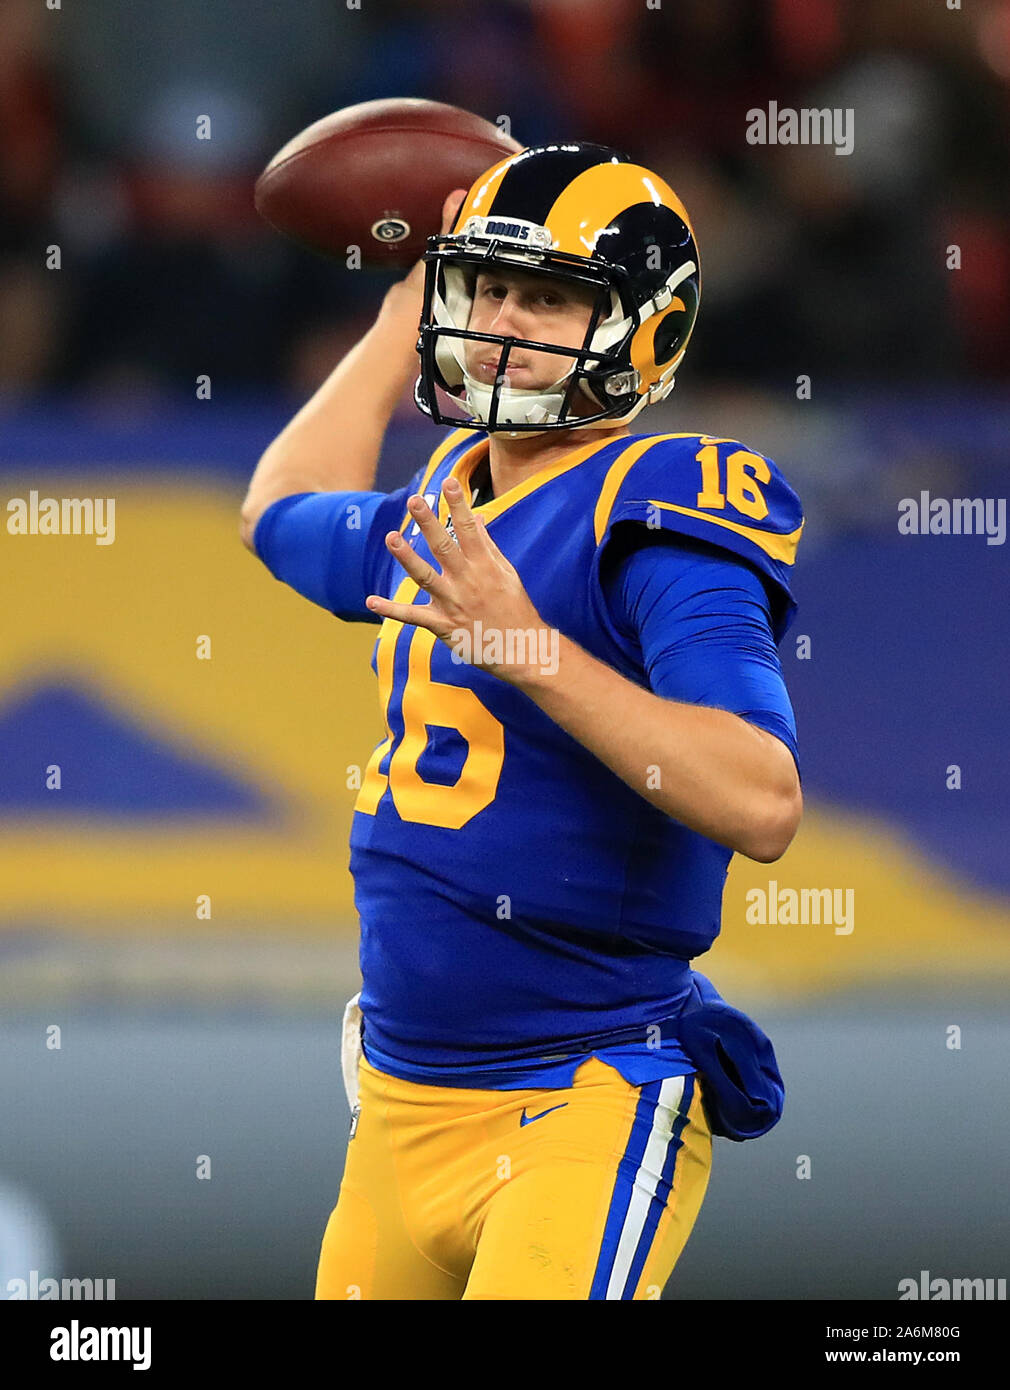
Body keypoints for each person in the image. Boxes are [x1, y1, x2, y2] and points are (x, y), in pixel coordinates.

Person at [240, 142, 804, 1300]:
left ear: (645, 329)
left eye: (544, 296)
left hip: (577, 1096)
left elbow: (758, 797)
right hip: (398, 1102)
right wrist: (403, 311)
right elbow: (278, 512)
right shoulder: (455, 487)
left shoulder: (657, 500)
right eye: (482, 287)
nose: (496, 322)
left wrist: (524, 648)